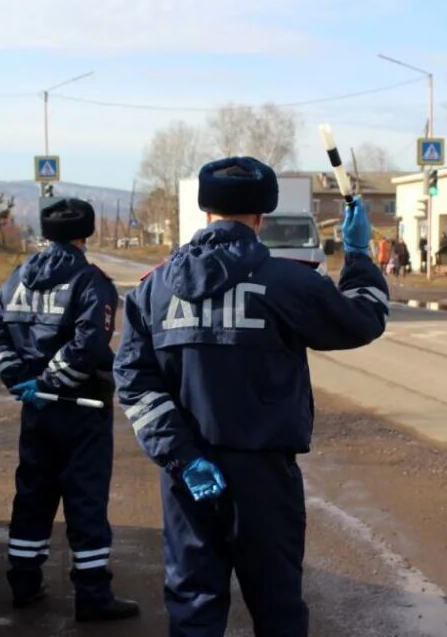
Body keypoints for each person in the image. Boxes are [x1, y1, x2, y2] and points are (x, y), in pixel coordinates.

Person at [113, 156, 388, 637]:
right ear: (263, 217)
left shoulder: (151, 290)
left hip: (188, 479)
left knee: (194, 607)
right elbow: (364, 318)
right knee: (277, 607)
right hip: (264, 478)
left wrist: (183, 458)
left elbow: (134, 381)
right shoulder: (287, 283)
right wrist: (358, 254)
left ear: (205, 212)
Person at [0, 198, 139, 622]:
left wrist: (21, 381)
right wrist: (53, 381)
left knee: (33, 493)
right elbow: (90, 343)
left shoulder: (17, 277)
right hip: (81, 409)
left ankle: (24, 582)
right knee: (85, 498)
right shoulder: (91, 281)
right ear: (84, 235)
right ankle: (93, 595)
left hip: (36, 411)